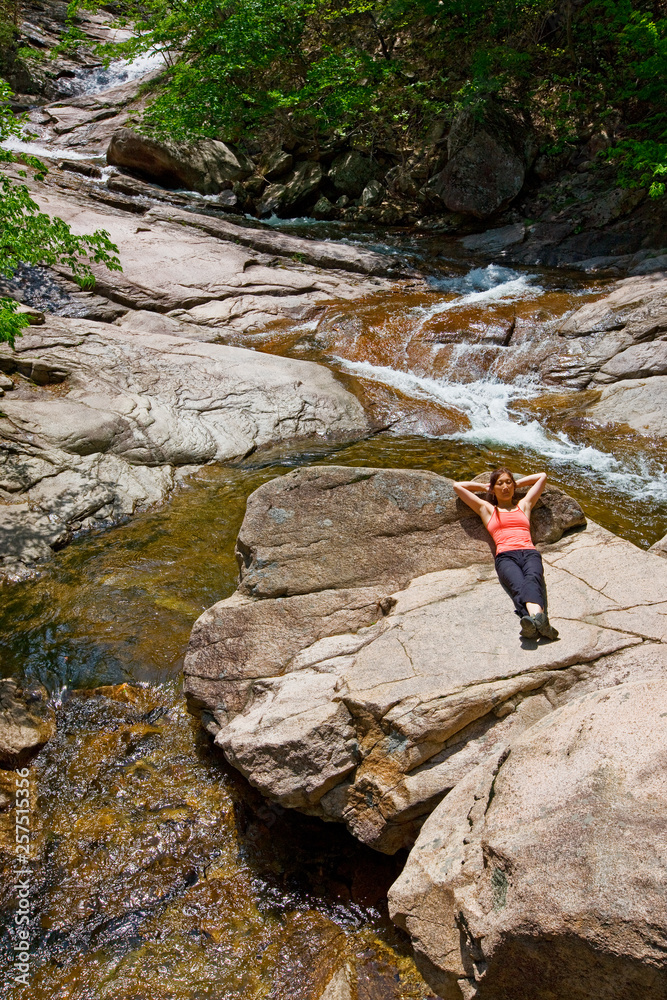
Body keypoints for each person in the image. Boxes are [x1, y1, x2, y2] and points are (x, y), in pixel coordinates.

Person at [453, 468, 559, 640]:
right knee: (517, 586)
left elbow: (542, 477)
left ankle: (532, 622)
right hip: (505, 557)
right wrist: (485, 486)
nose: (505, 487)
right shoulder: (487, 509)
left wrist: (517, 483)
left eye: (508, 483)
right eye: (500, 484)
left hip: (529, 553)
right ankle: (541, 619)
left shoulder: (524, 505)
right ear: (493, 489)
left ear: (513, 486)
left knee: (533, 578)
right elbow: (458, 486)